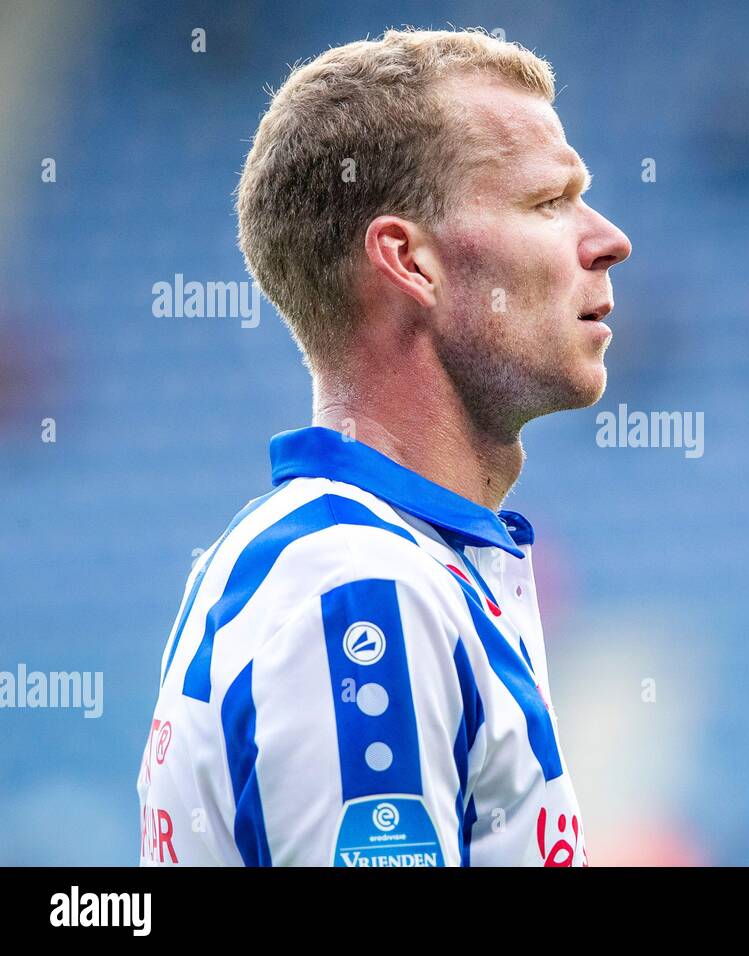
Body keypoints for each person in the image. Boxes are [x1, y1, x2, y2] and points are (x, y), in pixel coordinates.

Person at [137, 27, 632, 867]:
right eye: (550, 202)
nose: (607, 238)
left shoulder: (356, 561)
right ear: (410, 261)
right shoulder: (362, 586)